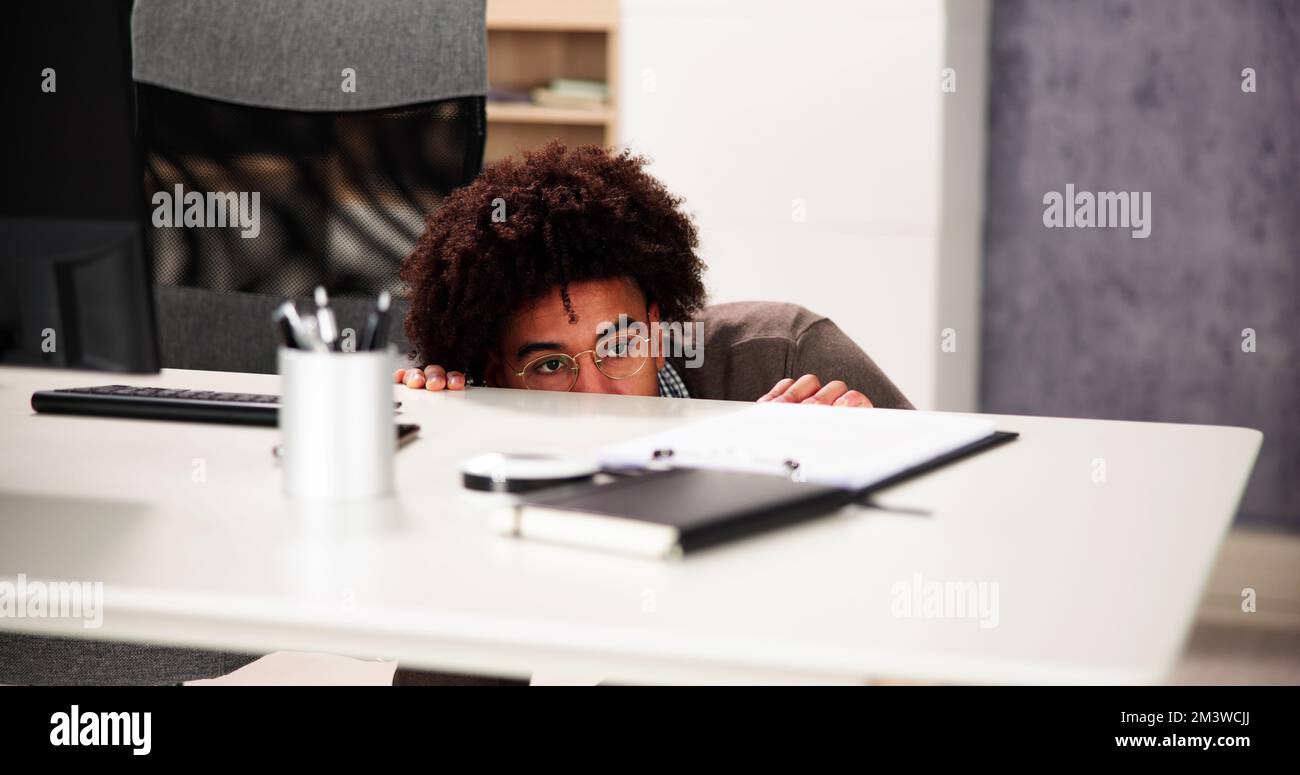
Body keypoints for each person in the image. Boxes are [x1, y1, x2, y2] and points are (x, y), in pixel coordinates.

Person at [394, 141, 911, 410]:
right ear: (501, 372)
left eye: (618, 347)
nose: (594, 399)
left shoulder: (787, 354)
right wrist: (447, 423)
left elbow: (952, 503)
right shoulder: (488, 404)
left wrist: (864, 458)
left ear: (659, 334)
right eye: (551, 365)